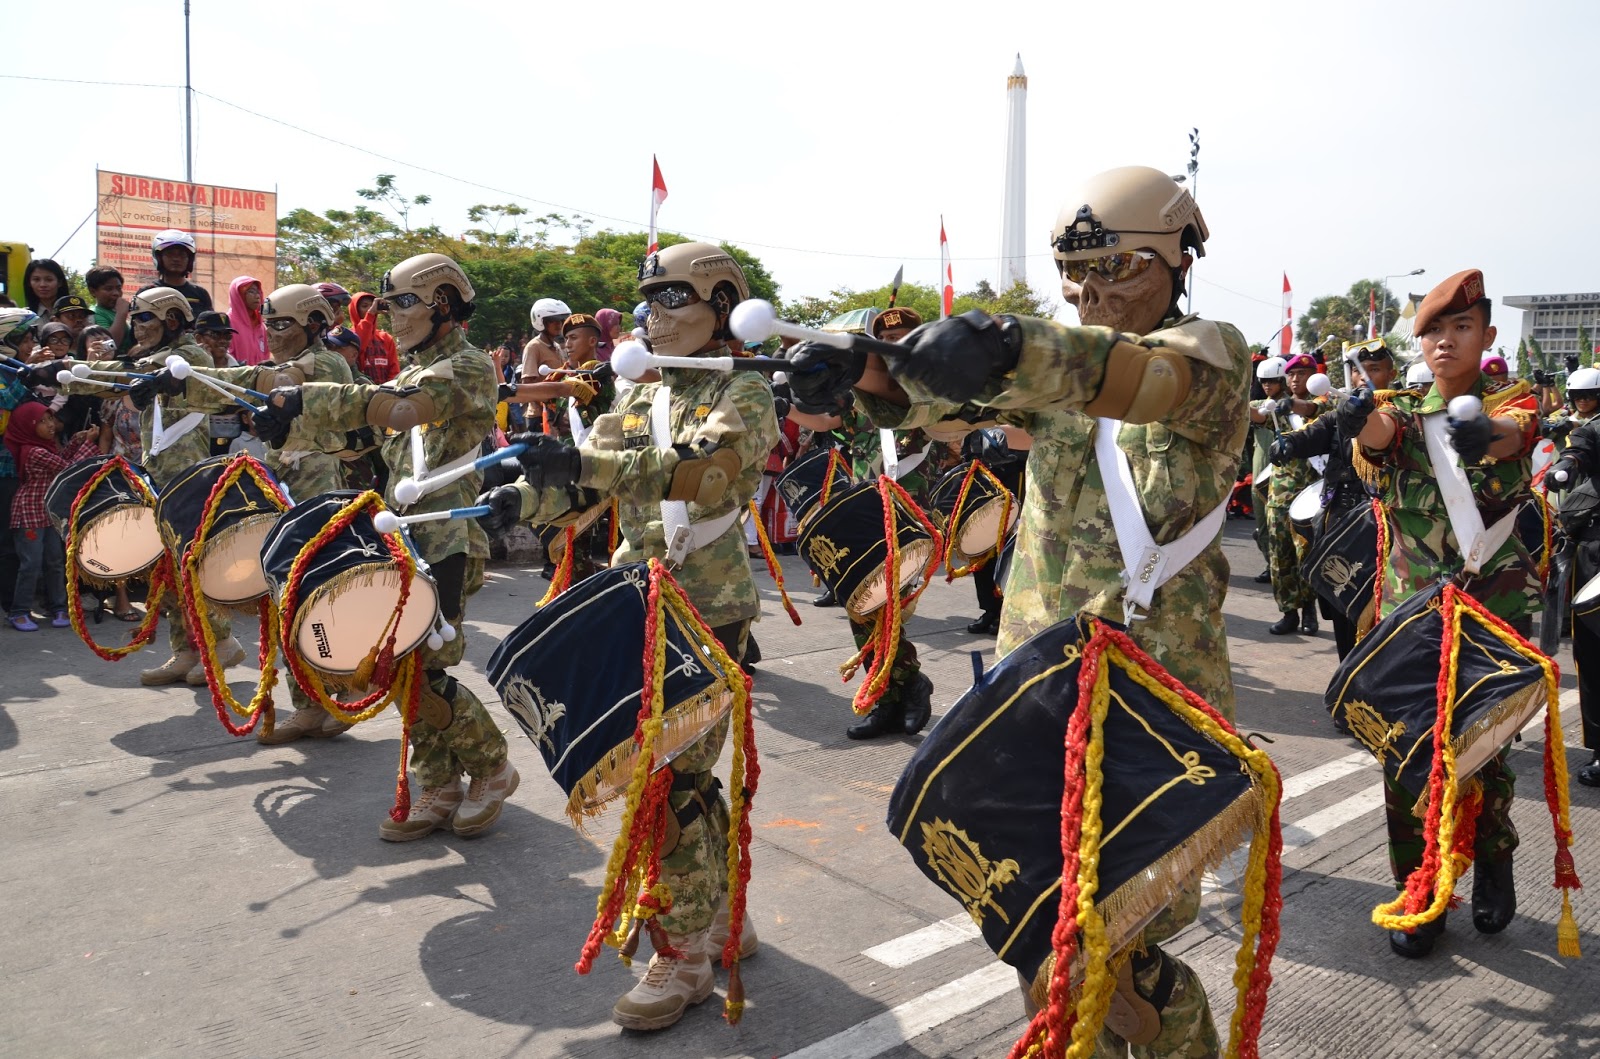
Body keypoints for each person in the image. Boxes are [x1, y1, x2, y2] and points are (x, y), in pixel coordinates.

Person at [791, 166, 1251, 1057]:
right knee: (1037, 919)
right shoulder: (1059, 362)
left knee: (1129, 951)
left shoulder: (1209, 355)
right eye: (1076, 275)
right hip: (1036, 678)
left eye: (1120, 269)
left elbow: (1138, 382)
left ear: (1178, 259)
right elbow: (958, 395)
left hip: (1152, 689)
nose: (1092, 293)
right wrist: (870, 371)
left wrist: (1011, 346)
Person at [479, 241, 776, 1032]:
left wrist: (583, 461)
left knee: (666, 786)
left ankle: (681, 955)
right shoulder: (643, 392)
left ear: (721, 306)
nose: (655, 316)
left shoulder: (746, 392)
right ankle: (719, 914)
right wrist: (523, 496)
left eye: (675, 298)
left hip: (708, 611)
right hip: (637, 600)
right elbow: (597, 466)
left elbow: (700, 469)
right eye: (649, 301)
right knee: (683, 781)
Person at [250, 253, 517, 841]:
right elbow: (365, 432)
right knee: (398, 663)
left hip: (446, 536)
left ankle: (492, 766)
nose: (388, 316)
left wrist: (308, 400)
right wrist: (288, 422)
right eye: (384, 305)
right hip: (399, 533)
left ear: (441, 304)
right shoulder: (413, 367)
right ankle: (440, 785)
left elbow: (399, 409)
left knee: (428, 668)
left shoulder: (467, 366)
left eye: (400, 303)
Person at [1350, 269, 1540, 959]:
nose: (1446, 341)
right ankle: (1419, 887)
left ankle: (1492, 855)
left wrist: (1480, 434)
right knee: (1407, 758)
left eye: (1462, 328)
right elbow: (1379, 433)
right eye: (1433, 331)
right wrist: (1356, 418)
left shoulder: (1516, 404)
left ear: (1487, 335)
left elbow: (1513, 437)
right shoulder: (1402, 412)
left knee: (1482, 753)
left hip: (1491, 617)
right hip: (1414, 624)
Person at [146, 285, 359, 743]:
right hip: (283, 478)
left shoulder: (325, 362)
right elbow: (248, 383)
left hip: (316, 484)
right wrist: (165, 383)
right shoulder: (282, 367)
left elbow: (264, 381)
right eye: (269, 323)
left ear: (315, 325)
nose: (273, 332)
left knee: (313, 593)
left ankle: (336, 698)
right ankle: (310, 704)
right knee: (285, 594)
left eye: (284, 323)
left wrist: (190, 381)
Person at [36, 286, 245, 685]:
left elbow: (129, 375)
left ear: (171, 319)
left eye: (144, 318)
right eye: (134, 319)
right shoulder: (148, 360)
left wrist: (68, 374)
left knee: (191, 567)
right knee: (162, 568)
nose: (137, 326)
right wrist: (60, 373)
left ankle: (221, 645)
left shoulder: (190, 356)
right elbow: (121, 375)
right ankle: (185, 650)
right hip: (157, 473)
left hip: (187, 478)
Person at [1269, 339, 1396, 658]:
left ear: (1391, 373)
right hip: (1342, 521)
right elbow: (1315, 432)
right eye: (1360, 371)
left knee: (1386, 614)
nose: (1366, 377)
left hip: (1388, 528)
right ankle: (1350, 684)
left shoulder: (1405, 411)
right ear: (1352, 377)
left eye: (1375, 369)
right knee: (1342, 606)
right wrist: (1288, 444)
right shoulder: (1343, 410)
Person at [5, 402, 100, 631]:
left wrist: (77, 441)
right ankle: (19, 612)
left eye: (51, 420)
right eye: (43, 421)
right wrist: (88, 444)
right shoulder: (34, 451)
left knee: (55, 562)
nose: (51, 425)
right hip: (29, 513)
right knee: (31, 564)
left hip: (47, 513)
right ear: (29, 426)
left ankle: (59, 607)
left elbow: (62, 458)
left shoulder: (43, 446)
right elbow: (67, 469)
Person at [1547, 418, 1600, 788]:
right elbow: (1579, 449)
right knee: (1596, 657)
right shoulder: (1595, 428)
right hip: (1598, 551)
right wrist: (1566, 466)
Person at [1262, 352, 1327, 635]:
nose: (1296, 378)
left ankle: (1309, 610)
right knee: (1280, 555)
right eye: (1292, 374)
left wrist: (1294, 406)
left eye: (1303, 374)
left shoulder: (1325, 404)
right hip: (1280, 495)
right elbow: (1256, 413)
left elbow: (1313, 409)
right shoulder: (1276, 407)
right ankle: (1288, 611)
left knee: (1308, 555)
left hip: (1312, 496)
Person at [150, 230, 213, 316]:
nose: (176, 259)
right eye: (170, 254)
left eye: (182, 255)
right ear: (159, 258)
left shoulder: (200, 294)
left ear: (190, 260)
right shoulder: (149, 292)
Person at [348, 291, 398, 384]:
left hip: (385, 393)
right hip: (360, 392)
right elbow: (360, 344)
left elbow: (394, 370)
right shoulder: (347, 336)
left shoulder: (386, 338)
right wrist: (370, 315)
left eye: (372, 306)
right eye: (364, 306)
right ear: (355, 310)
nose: (370, 309)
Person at [226, 276, 268, 365]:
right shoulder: (227, 323)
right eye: (251, 291)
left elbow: (265, 355)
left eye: (258, 292)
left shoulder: (261, 326)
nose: (257, 296)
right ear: (238, 295)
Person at [85, 267, 130, 347]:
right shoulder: (95, 314)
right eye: (109, 289)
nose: (116, 293)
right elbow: (110, 345)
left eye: (118, 288)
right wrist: (121, 314)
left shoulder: (113, 312)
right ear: (93, 291)